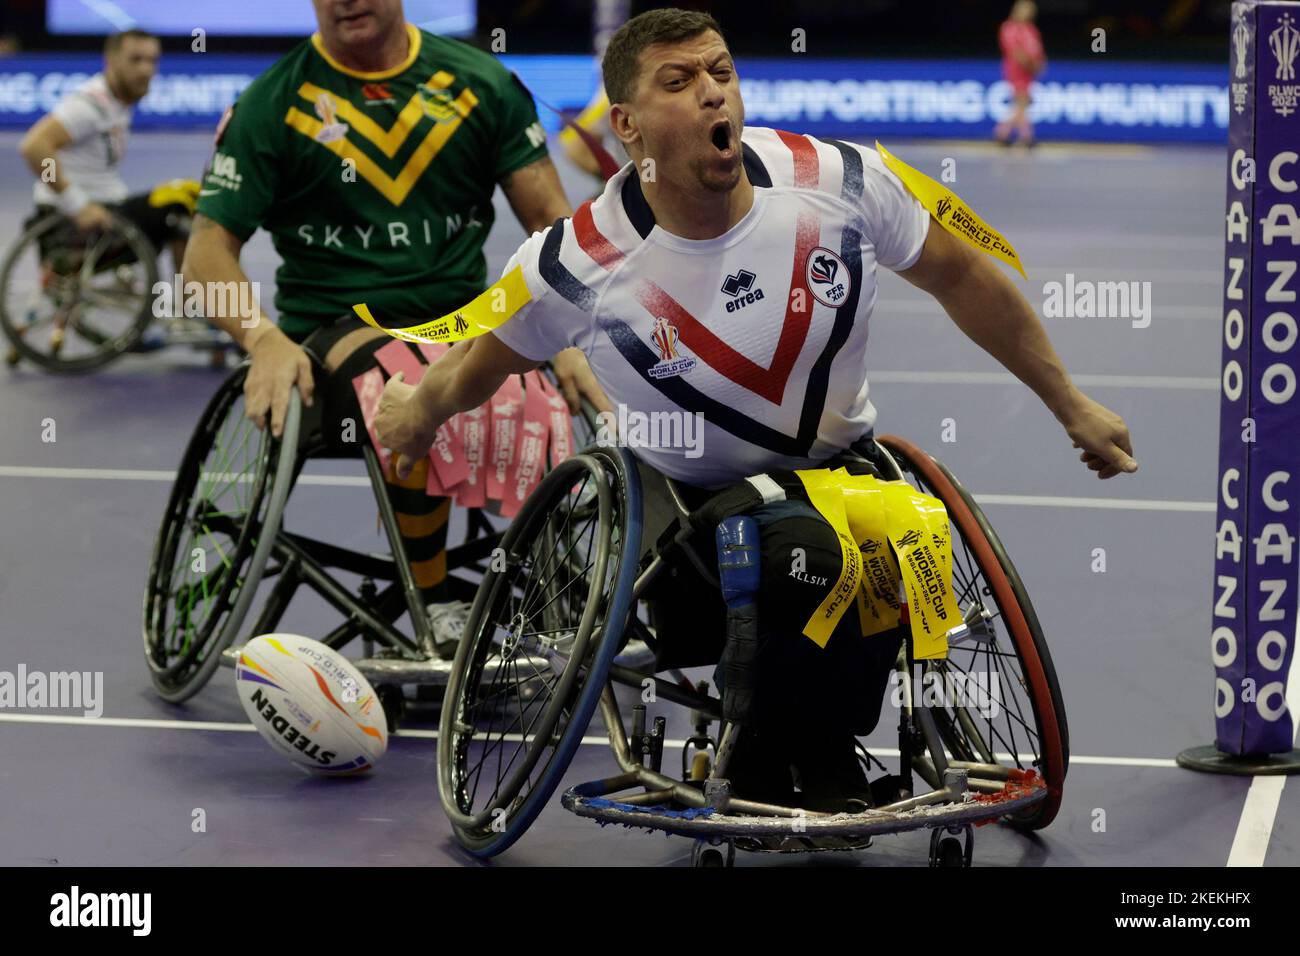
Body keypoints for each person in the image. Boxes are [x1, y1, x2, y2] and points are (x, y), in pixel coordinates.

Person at [371, 8, 1136, 805]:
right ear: (626, 126)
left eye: (721, 73)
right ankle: (792, 755)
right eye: (681, 81)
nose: (713, 95)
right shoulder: (573, 264)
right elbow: (473, 366)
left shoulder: (839, 180)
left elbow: (963, 277)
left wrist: (1069, 402)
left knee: (896, 540)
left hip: (846, 479)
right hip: (683, 522)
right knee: (800, 552)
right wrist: (418, 413)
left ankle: (806, 747)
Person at [183, 0, 607, 654]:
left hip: (465, 317)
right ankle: (435, 605)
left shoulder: (481, 83)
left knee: (539, 393)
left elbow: (552, 221)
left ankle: (543, 580)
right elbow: (205, 254)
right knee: (407, 381)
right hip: (338, 322)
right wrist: (260, 336)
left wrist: (574, 336)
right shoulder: (273, 102)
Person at [19, 29, 197, 268]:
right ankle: (189, 306)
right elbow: (34, 147)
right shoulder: (89, 106)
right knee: (181, 200)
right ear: (110, 61)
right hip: (73, 221)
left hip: (109, 208)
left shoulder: (118, 102)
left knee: (191, 195)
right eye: (136, 59)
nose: (146, 70)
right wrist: (76, 203)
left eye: (152, 61)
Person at [995, 0, 1046, 147]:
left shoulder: (1031, 29)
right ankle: (1017, 136)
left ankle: (1008, 135)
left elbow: (1037, 50)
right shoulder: (1009, 28)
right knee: (1022, 101)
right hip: (1017, 71)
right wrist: (1029, 64)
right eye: (1025, 10)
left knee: (1022, 103)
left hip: (1029, 72)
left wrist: (1039, 64)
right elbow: (1014, 51)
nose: (1028, 14)